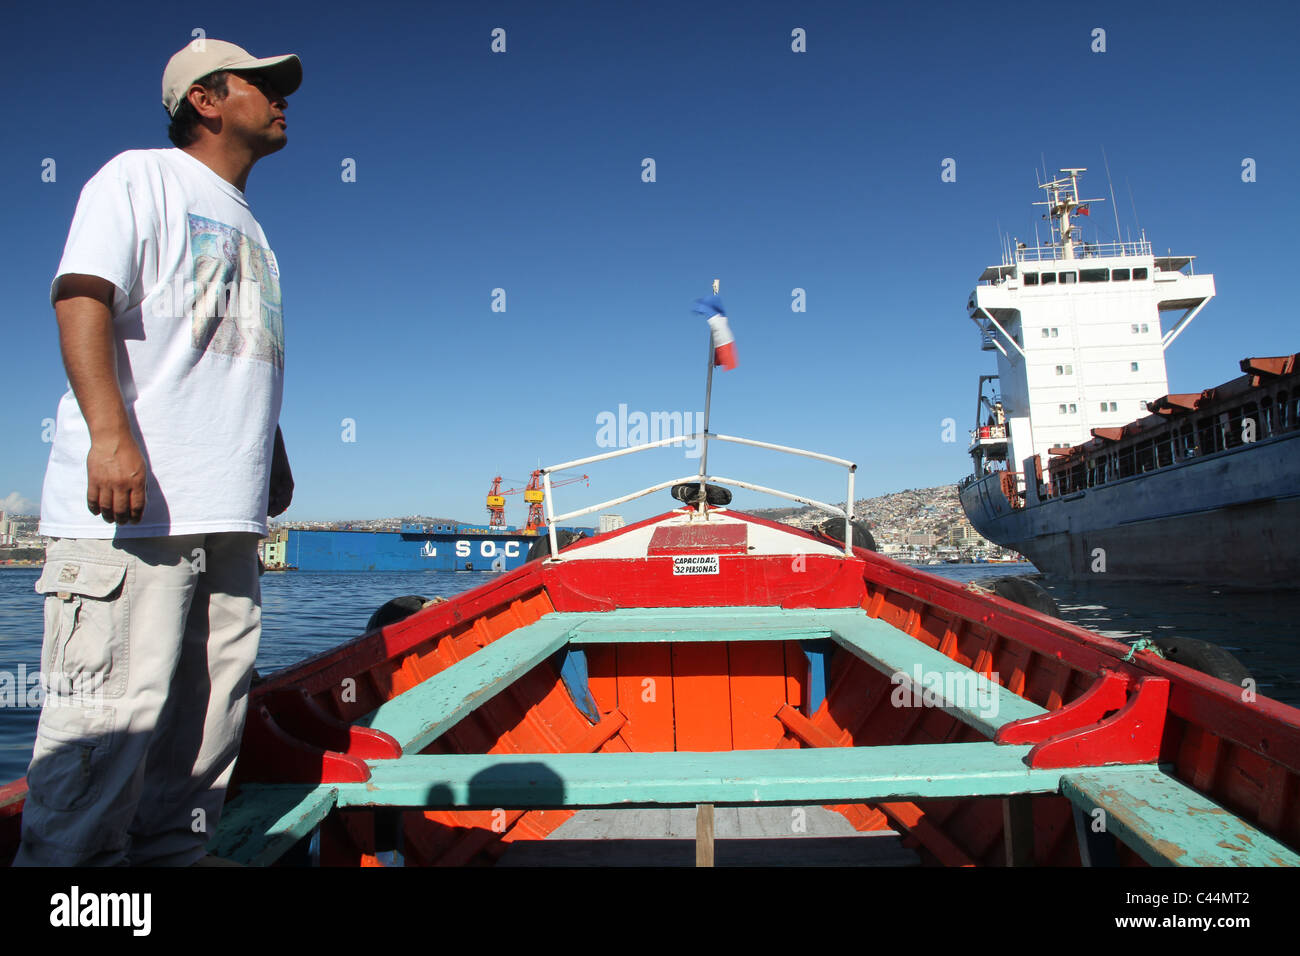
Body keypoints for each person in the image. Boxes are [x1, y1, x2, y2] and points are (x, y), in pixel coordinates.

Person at [15, 39, 302, 866]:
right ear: (205, 101)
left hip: (229, 518)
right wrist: (111, 436)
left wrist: (268, 452)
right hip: (131, 517)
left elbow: (234, 347)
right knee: (102, 739)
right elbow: (83, 296)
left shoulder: (253, 224)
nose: (284, 99)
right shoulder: (136, 177)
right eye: (264, 85)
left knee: (202, 748)